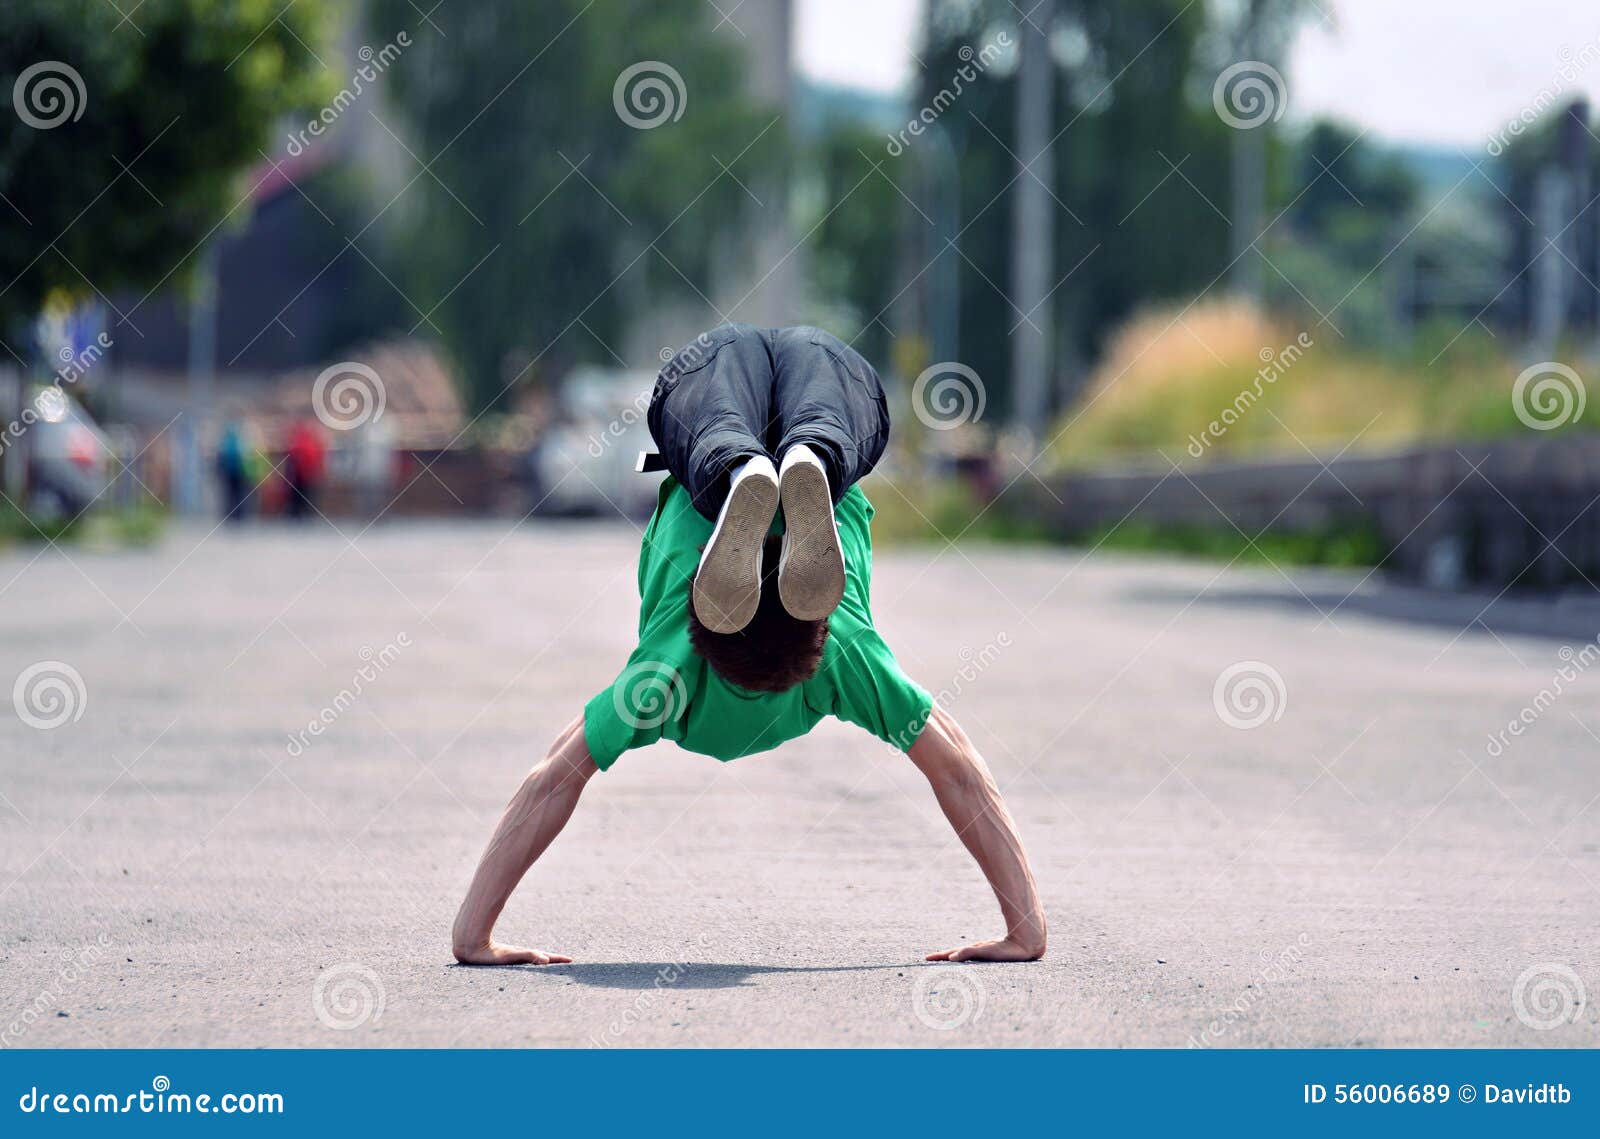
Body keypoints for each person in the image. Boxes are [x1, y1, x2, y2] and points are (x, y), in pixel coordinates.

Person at [451, 325, 1046, 966]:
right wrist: (1026, 928)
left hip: (825, 379)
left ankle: (799, 461)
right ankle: (746, 469)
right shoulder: (673, 678)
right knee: (714, 438)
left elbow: (550, 784)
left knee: (824, 427)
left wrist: (470, 936)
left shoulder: (822, 662)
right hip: (712, 386)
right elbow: (956, 768)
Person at [284, 417, 326, 520]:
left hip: (301, 476)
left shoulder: (298, 442)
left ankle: (299, 515)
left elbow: (292, 459)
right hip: (305, 475)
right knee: (305, 496)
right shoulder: (310, 442)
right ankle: (304, 515)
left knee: (299, 497)